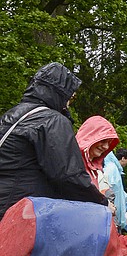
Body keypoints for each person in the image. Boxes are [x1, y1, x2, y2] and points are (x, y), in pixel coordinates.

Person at [0, 62, 106, 219]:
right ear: (59, 93)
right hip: (21, 212)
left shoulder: (13, 115)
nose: (70, 102)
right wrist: (100, 203)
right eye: (71, 96)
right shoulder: (52, 120)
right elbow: (68, 176)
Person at [107, 147, 127, 232]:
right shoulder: (112, 169)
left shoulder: (115, 169)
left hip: (114, 213)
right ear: (122, 158)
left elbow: (119, 191)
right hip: (114, 214)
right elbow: (109, 190)